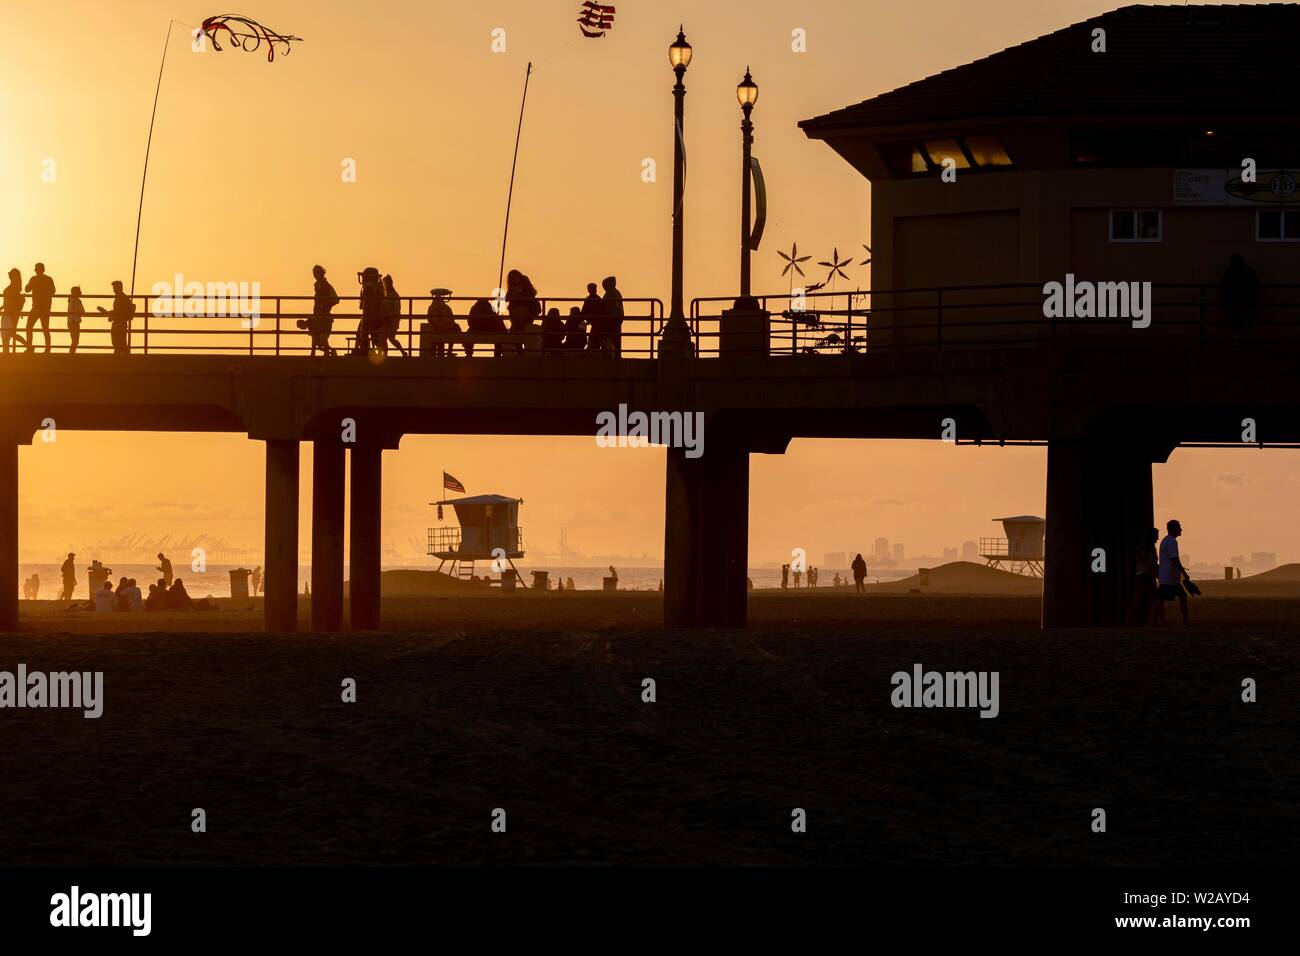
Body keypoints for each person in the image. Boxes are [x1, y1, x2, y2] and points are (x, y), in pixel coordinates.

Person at [1158, 519, 1191, 626]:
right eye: (1179, 527)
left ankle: (1159, 621)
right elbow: (1174, 559)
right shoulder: (1172, 541)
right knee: (1161, 600)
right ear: (1174, 529)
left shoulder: (1165, 540)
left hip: (1167, 577)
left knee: (1161, 600)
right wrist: (1184, 573)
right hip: (1169, 578)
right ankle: (1185, 622)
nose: (1181, 529)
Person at [1220, 254, 1259, 340]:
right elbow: (1255, 285)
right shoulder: (1248, 272)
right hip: (1246, 300)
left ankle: (1236, 336)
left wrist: (1224, 301)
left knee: (1235, 319)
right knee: (1249, 318)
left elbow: (1223, 288)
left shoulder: (1229, 273)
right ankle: (1252, 336)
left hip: (1235, 301)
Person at [1127, 528, 1160, 626]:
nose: (1158, 537)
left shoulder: (1143, 548)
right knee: (1148, 600)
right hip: (1146, 576)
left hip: (1143, 576)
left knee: (1143, 600)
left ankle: (1152, 622)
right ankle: (1152, 622)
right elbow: (1151, 564)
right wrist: (1157, 574)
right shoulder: (1149, 548)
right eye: (1156, 535)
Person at [306, 264, 339, 356]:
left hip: (324, 316)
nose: (315, 274)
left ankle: (328, 353)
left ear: (322, 273)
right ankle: (314, 353)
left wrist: (325, 307)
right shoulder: (317, 285)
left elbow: (336, 300)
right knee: (314, 335)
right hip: (317, 314)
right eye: (314, 273)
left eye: (317, 272)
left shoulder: (326, 286)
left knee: (322, 340)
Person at [96, 280, 134, 354]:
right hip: (120, 323)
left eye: (114, 288)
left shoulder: (121, 298)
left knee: (118, 343)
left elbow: (118, 312)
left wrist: (107, 313)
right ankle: (124, 358)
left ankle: (120, 359)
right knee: (121, 343)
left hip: (119, 324)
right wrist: (108, 313)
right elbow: (117, 311)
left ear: (119, 288)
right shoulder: (122, 298)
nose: (113, 290)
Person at [24, 262, 55, 353]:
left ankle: (30, 347)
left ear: (36, 270)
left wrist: (31, 286)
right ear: (43, 270)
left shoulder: (34, 279)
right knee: (45, 328)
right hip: (45, 308)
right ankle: (48, 348)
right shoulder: (48, 279)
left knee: (29, 327)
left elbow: (27, 290)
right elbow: (53, 291)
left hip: (36, 308)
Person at [355, 267, 385, 354]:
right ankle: (363, 350)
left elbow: (378, 301)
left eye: (365, 277)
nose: (363, 279)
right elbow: (362, 305)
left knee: (373, 334)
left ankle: (377, 353)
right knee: (362, 333)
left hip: (374, 315)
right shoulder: (366, 288)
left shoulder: (377, 289)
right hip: (366, 315)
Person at [380, 274, 409, 356]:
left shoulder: (394, 295)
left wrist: (394, 319)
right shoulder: (386, 294)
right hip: (385, 319)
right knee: (383, 338)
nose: (384, 285)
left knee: (391, 338)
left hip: (392, 320)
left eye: (385, 283)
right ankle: (385, 355)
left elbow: (397, 308)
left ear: (389, 283)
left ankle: (403, 352)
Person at [426, 288, 459, 357]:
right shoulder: (445, 307)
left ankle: (444, 352)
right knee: (456, 330)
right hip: (442, 329)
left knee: (455, 330)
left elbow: (429, 319)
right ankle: (449, 351)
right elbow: (451, 319)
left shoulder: (432, 307)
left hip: (438, 329)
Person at [2, 268, 26, 353]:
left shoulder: (12, 289)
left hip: (8, 314)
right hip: (10, 314)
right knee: (9, 334)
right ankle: (27, 345)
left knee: (7, 334)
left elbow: (6, 304)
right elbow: (6, 304)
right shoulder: (16, 289)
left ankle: (27, 345)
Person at [582, 282, 609, 353]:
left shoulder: (588, 299)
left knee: (595, 337)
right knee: (597, 337)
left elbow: (583, 312)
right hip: (601, 322)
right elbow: (604, 311)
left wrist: (585, 319)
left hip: (595, 323)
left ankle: (589, 352)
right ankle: (605, 352)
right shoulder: (599, 299)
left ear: (588, 290)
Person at [601, 276, 624, 356]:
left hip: (611, 318)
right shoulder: (617, 292)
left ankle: (606, 353)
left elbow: (607, 306)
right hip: (617, 317)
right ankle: (617, 353)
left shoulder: (610, 293)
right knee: (615, 336)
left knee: (604, 335)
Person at [65, 286, 87, 354]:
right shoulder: (76, 300)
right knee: (75, 341)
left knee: (74, 340)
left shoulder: (70, 300)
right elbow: (82, 311)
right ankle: (71, 355)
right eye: (79, 291)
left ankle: (71, 354)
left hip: (70, 322)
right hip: (75, 322)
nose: (80, 293)